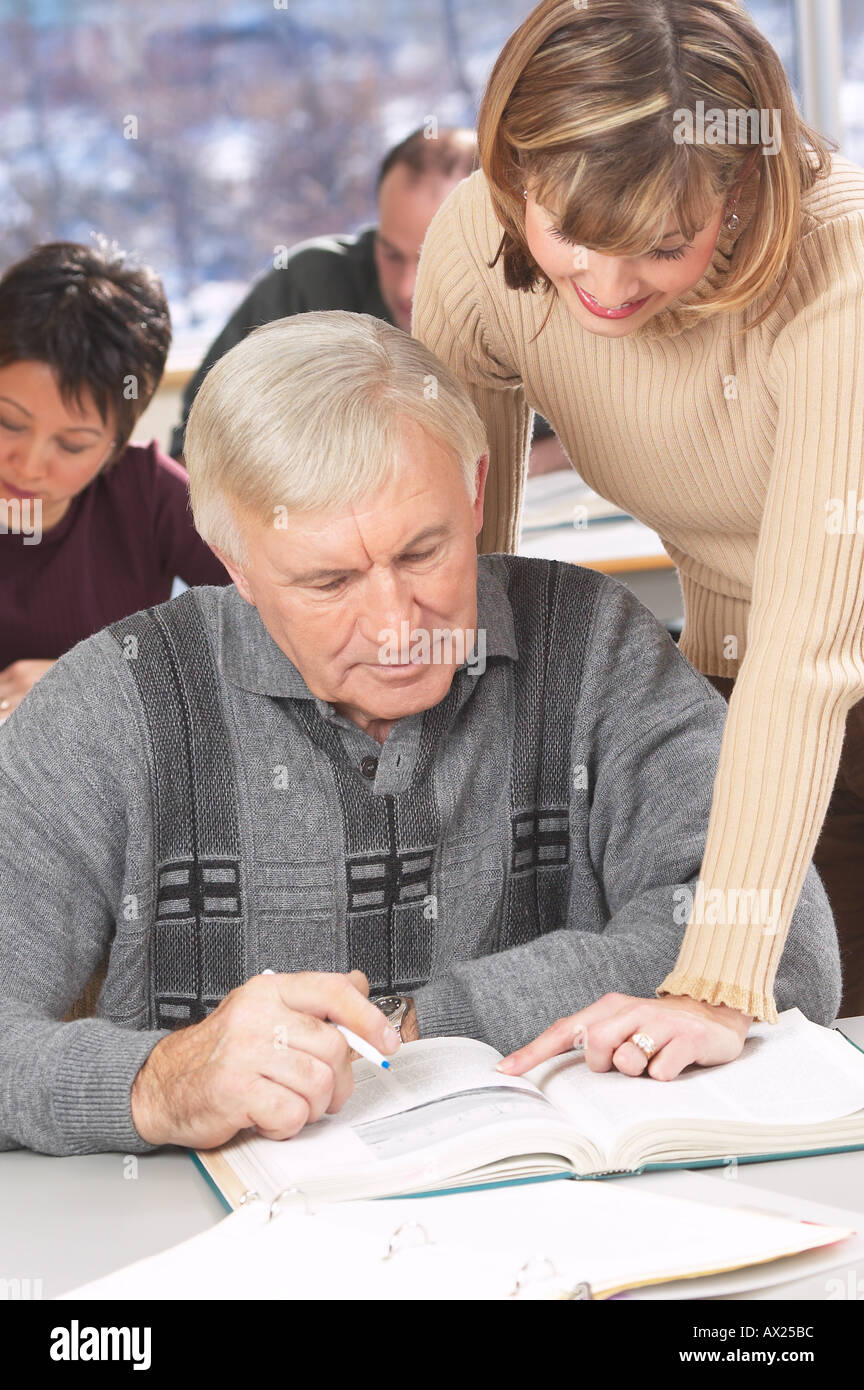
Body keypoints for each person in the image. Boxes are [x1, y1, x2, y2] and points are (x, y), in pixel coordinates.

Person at [0, 311, 838, 1157]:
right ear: (233, 561)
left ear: (475, 491)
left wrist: (425, 1027)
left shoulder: (592, 641)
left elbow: (777, 930)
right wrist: (160, 1082)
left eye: (423, 552)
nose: (398, 628)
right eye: (328, 581)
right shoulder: (111, 703)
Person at [411, 0, 864, 1034]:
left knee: (788, 1037)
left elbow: (812, 650)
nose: (607, 288)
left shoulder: (843, 267)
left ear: (741, 184)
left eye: (663, 245)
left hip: (813, 667)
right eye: (570, 233)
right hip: (739, 680)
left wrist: (717, 985)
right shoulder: (477, 244)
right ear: (520, 175)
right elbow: (454, 560)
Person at [0, 240, 230, 720]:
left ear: (114, 444)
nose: (29, 464)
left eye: (73, 445)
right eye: (8, 422)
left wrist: (95, 685)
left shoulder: (149, 496)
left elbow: (282, 633)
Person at [168, 126, 479, 461]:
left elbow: (543, 433)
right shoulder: (306, 287)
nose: (406, 288)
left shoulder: (526, 301)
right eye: (391, 254)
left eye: (429, 260)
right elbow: (195, 442)